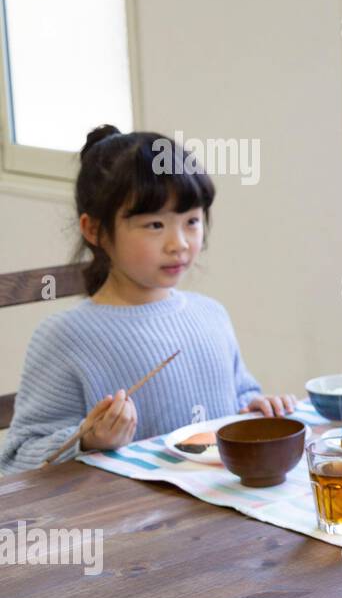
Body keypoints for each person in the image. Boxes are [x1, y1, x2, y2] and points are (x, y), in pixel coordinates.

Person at [0, 126, 296, 475]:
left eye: (191, 221)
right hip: (129, 522)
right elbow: (17, 460)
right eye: (155, 225)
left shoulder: (211, 315)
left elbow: (239, 398)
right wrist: (86, 440)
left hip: (217, 511)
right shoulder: (64, 336)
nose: (179, 244)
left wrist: (256, 409)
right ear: (94, 230)